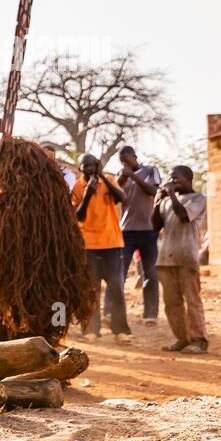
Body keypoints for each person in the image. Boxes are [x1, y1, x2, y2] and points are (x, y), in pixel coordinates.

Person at [72, 154, 131, 342]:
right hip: (88, 245)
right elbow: (78, 216)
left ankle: (120, 331)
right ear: (80, 168)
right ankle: (90, 330)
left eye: (93, 165)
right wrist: (88, 194)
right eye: (86, 166)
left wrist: (103, 176)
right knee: (91, 290)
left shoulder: (110, 179)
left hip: (112, 243)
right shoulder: (78, 186)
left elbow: (122, 198)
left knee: (116, 288)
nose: (90, 169)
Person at [155, 166, 208, 353]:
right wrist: (158, 201)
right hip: (165, 258)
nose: (172, 182)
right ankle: (182, 338)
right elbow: (155, 225)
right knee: (172, 302)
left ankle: (199, 340)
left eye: (175, 179)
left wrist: (171, 195)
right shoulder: (168, 201)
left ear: (188, 179)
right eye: (170, 179)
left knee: (192, 300)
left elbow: (184, 216)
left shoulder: (198, 199)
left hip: (187, 256)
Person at [117, 145, 162, 323]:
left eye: (128, 159)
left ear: (135, 156)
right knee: (119, 273)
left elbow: (154, 191)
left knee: (150, 272)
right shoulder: (121, 176)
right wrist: (122, 177)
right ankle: (116, 313)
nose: (125, 162)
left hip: (148, 229)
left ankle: (150, 314)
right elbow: (115, 196)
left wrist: (133, 176)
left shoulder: (151, 170)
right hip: (126, 230)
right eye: (122, 160)